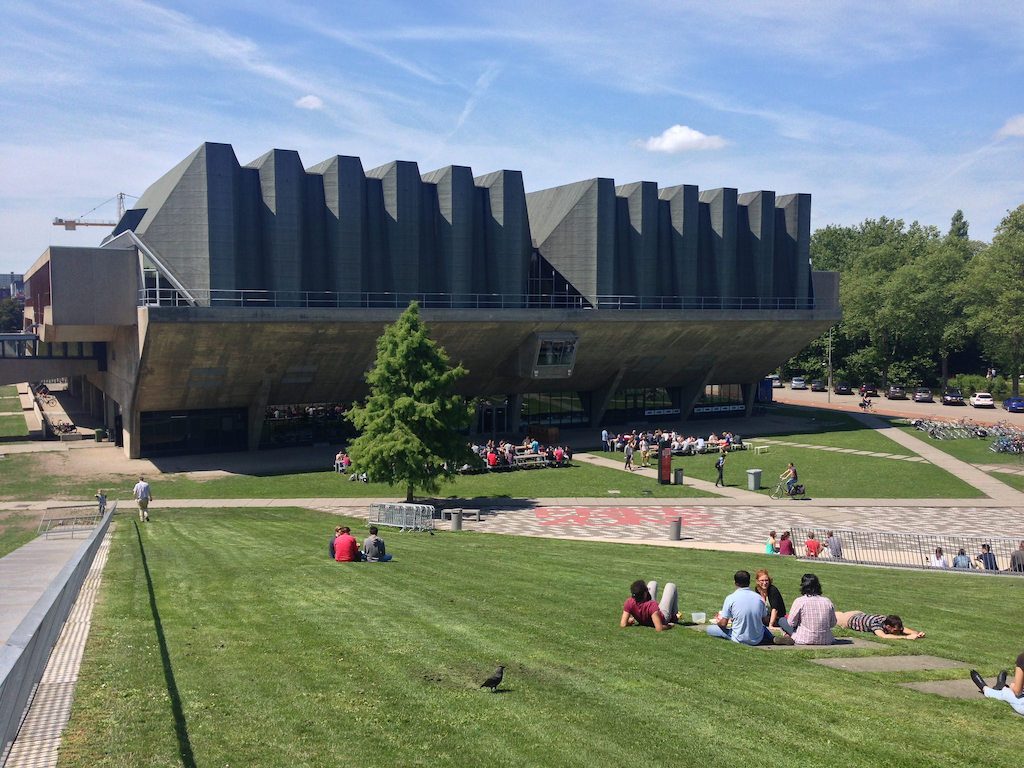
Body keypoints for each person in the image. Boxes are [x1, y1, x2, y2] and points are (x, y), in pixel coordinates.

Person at [705, 570, 774, 646]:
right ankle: (772, 638)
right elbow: (764, 620)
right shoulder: (759, 598)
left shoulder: (731, 598)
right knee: (762, 628)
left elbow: (723, 623)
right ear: (749, 582)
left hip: (739, 638)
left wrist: (717, 622)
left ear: (735, 583)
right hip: (757, 638)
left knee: (710, 629)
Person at [776, 573, 836, 645]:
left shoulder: (800, 601)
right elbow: (833, 623)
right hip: (826, 639)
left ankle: (788, 636)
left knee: (781, 620)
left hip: (804, 638)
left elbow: (791, 623)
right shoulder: (827, 601)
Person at [834, 611, 925, 639]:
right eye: (895, 631)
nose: (898, 632)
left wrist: (916, 633)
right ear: (888, 627)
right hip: (847, 620)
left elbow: (903, 629)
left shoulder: (888, 622)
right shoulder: (876, 624)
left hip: (859, 613)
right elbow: (883, 636)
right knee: (833, 615)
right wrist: (905, 637)